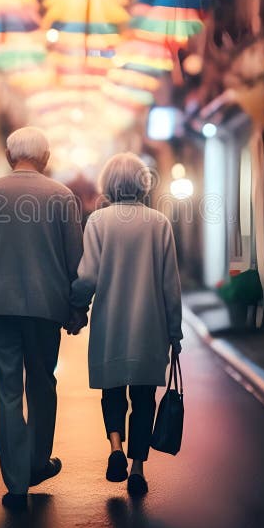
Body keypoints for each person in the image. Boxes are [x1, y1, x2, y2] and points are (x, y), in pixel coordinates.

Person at [0, 127, 85, 510]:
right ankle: (36, 462)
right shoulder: (63, 197)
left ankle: (16, 483)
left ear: (8, 154)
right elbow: (76, 260)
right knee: (42, 384)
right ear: (45, 157)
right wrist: (78, 307)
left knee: (7, 390)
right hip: (47, 308)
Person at [69, 152, 182, 497]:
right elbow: (170, 286)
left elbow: (87, 276)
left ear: (109, 184)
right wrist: (175, 332)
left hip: (111, 321)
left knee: (113, 391)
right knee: (144, 396)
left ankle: (116, 449)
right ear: (142, 182)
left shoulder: (98, 222)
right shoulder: (159, 223)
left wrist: (74, 304)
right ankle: (137, 468)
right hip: (150, 326)